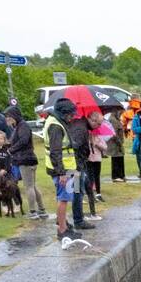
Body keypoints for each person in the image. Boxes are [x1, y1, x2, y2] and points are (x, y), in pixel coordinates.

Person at [43, 96, 93, 239]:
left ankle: (64, 225)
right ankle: (62, 230)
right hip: (63, 170)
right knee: (63, 199)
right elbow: (55, 151)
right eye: (70, 115)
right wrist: (61, 173)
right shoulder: (56, 127)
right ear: (63, 113)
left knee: (64, 198)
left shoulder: (55, 121)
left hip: (67, 168)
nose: (72, 118)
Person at [4, 105, 47, 220]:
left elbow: (23, 141)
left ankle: (33, 211)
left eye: (8, 116)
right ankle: (42, 210)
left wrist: (10, 150)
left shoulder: (23, 126)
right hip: (28, 159)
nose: (6, 119)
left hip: (26, 160)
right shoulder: (18, 126)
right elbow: (19, 141)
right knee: (32, 185)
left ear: (14, 116)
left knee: (29, 187)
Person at [86, 110, 107, 205]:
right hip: (89, 159)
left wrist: (97, 144)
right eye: (97, 123)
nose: (98, 125)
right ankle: (90, 195)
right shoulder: (85, 134)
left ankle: (98, 193)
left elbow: (105, 147)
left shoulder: (98, 135)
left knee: (97, 176)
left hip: (97, 159)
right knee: (89, 177)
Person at [105, 106, 126, 182]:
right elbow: (114, 133)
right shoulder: (113, 120)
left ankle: (121, 175)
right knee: (116, 159)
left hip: (118, 142)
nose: (121, 113)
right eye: (120, 111)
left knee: (120, 158)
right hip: (115, 143)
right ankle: (116, 176)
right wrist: (119, 142)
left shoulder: (116, 119)